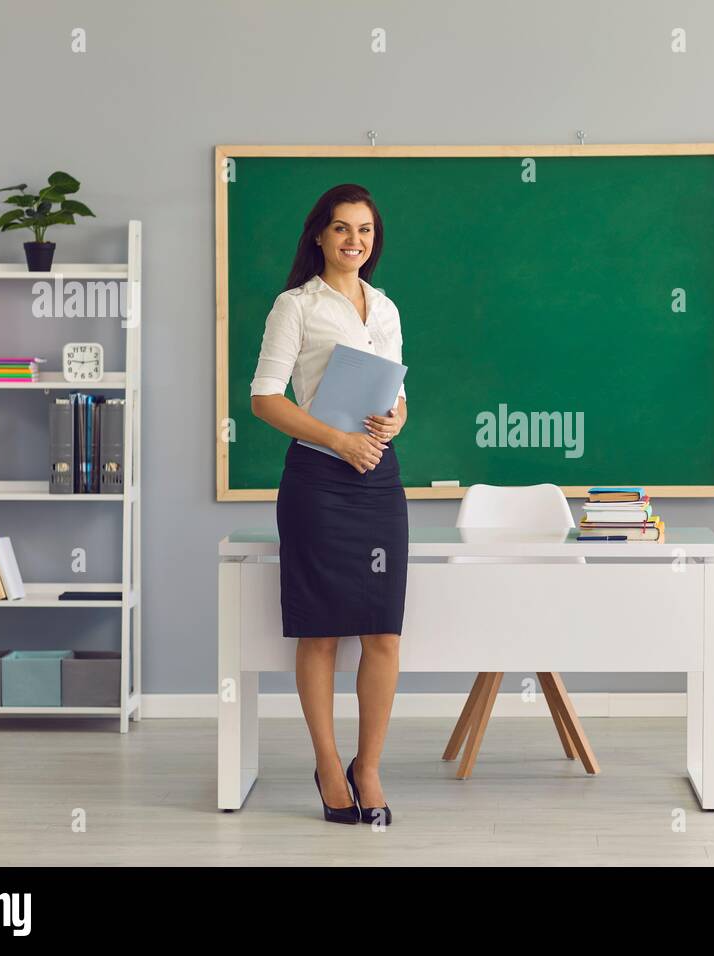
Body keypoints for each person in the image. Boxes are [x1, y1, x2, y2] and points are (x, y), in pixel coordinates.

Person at [250, 183, 407, 826]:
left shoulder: (387, 307)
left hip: (376, 477)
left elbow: (397, 393)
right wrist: (337, 438)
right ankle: (326, 762)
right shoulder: (296, 305)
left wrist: (394, 421)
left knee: (383, 633)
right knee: (320, 634)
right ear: (320, 235)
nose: (354, 242)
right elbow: (266, 398)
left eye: (365, 231)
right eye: (342, 229)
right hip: (318, 482)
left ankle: (366, 767)